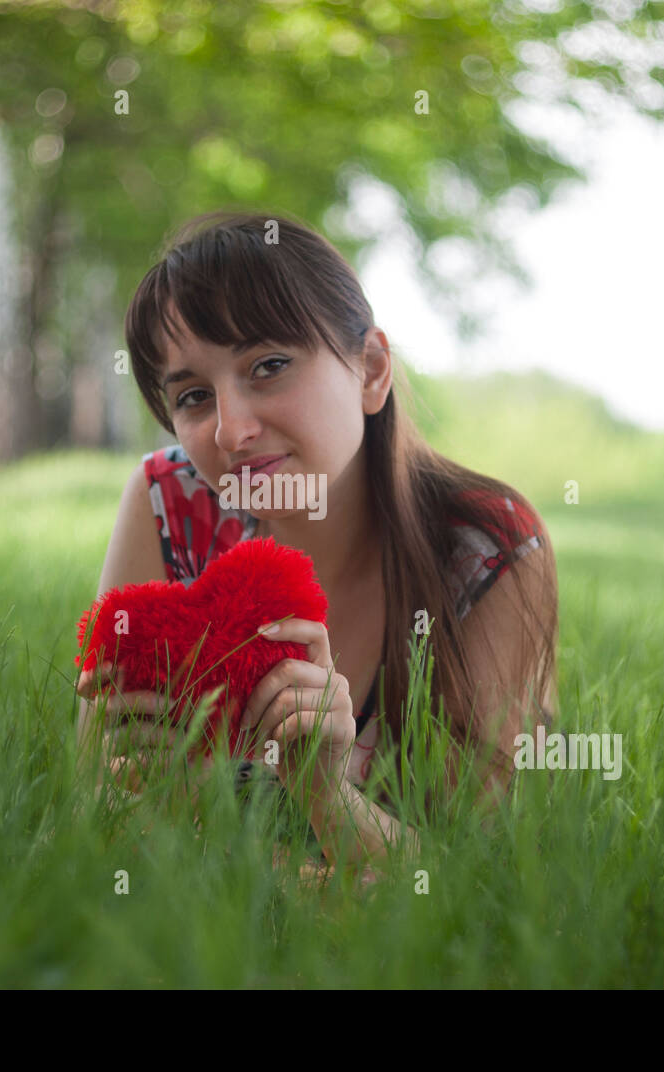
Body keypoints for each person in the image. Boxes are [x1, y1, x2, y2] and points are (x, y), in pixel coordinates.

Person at [76, 210, 558, 884]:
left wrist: (324, 791)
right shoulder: (168, 505)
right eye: (193, 396)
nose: (233, 430)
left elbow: (469, 891)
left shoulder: (487, 547)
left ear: (370, 369)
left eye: (268, 365)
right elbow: (99, 822)